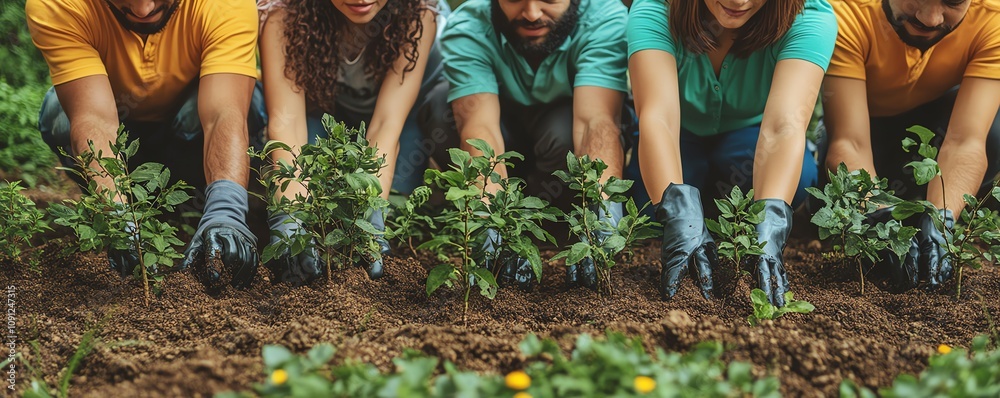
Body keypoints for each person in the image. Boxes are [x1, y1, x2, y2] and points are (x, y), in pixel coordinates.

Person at [27, 0, 265, 290]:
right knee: (59, 116)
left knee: (247, 104)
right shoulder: (58, 4)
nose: (142, 10)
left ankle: (201, 203)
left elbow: (223, 114)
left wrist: (226, 210)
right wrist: (116, 215)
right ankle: (129, 209)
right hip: (126, 144)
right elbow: (94, 120)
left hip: (189, 134)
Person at [628, 0, 837, 306]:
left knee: (800, 177)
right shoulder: (657, 6)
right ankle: (694, 217)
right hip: (679, 133)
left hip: (750, 138)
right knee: (648, 203)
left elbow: (783, 126)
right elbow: (659, 117)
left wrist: (770, 226)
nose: (739, 1)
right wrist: (679, 215)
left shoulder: (808, 15)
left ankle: (716, 213)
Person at [419, 0, 631, 291]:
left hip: (561, 143)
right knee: (440, 108)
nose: (531, 14)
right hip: (508, 135)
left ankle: (561, 227)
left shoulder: (605, 18)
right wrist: (491, 218)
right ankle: (509, 230)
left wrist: (602, 210)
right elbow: (480, 129)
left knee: (565, 134)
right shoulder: (468, 25)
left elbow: (596, 121)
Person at [257, 0, 447, 284]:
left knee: (392, 208)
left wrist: (368, 220)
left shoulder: (420, 11)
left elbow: (386, 124)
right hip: (325, 112)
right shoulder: (281, 10)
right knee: (317, 207)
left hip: (404, 116)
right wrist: (291, 216)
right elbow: (287, 121)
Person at [822, 0, 1000, 290]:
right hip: (869, 133)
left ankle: (926, 219)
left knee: (995, 132)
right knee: (834, 189)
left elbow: (966, 141)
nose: (930, 19)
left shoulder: (993, 17)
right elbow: (849, 142)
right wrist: (878, 213)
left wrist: (941, 219)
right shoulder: (847, 12)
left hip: (938, 123)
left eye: (953, 2)